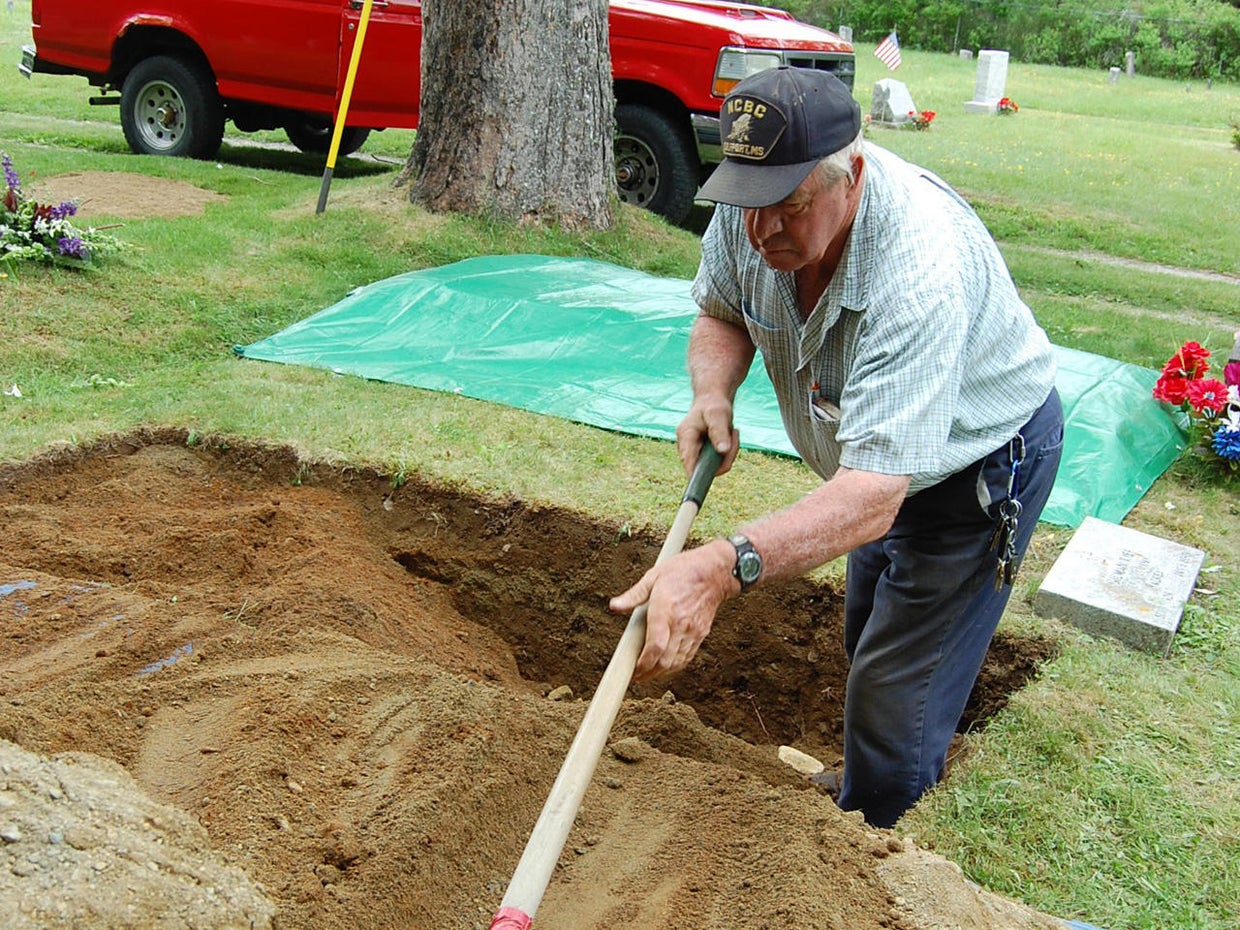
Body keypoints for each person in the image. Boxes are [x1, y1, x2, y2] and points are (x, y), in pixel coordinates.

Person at [609, 66, 1064, 829]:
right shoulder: (754, 201)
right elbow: (723, 311)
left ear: (849, 177)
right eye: (747, 207)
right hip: (875, 463)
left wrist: (722, 568)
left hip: (976, 469)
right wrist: (711, 394)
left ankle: (875, 836)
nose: (760, 232)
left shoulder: (918, 272)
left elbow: (875, 494)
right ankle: (874, 775)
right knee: (867, 638)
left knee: (895, 691)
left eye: (787, 208)